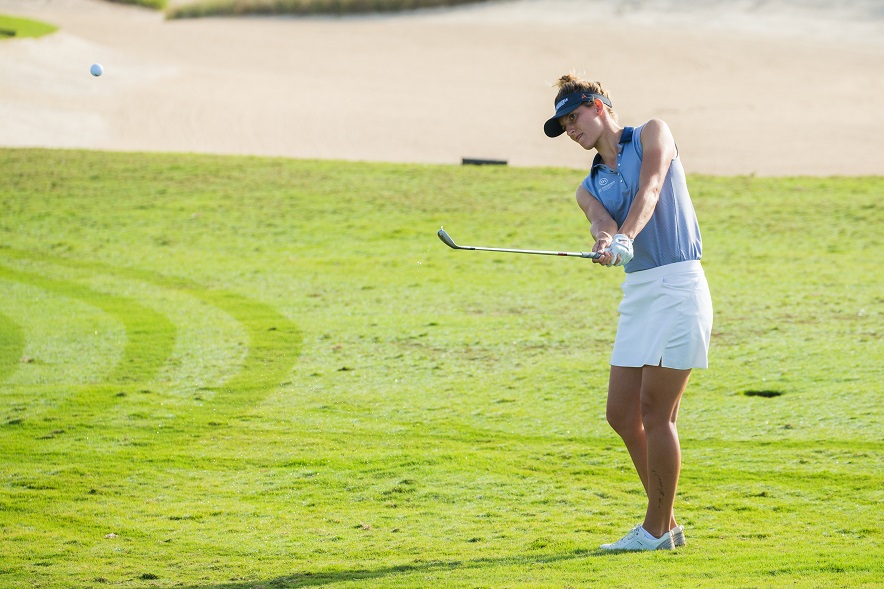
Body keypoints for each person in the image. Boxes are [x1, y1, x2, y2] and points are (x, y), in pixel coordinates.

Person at [543, 73, 713, 551]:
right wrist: (605, 241)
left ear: (598, 106)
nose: (570, 130)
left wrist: (625, 239)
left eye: (573, 118)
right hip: (638, 293)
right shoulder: (587, 186)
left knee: (656, 412)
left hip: (679, 284)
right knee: (621, 414)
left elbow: (652, 189)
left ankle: (656, 529)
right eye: (563, 125)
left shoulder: (654, 133)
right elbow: (603, 222)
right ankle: (667, 521)